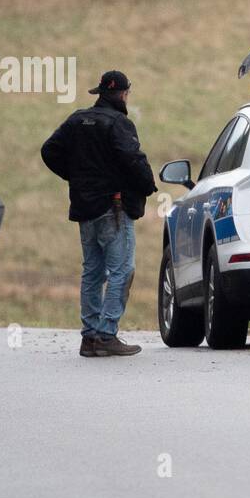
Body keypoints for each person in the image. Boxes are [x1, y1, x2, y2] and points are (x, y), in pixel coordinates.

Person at [40, 70, 157, 357]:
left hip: (84, 206)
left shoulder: (77, 120)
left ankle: (89, 337)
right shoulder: (119, 123)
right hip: (113, 207)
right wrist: (148, 185)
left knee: (92, 271)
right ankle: (106, 335)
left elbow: (49, 151)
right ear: (124, 94)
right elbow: (133, 159)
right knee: (122, 270)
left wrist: (76, 177)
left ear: (99, 93)